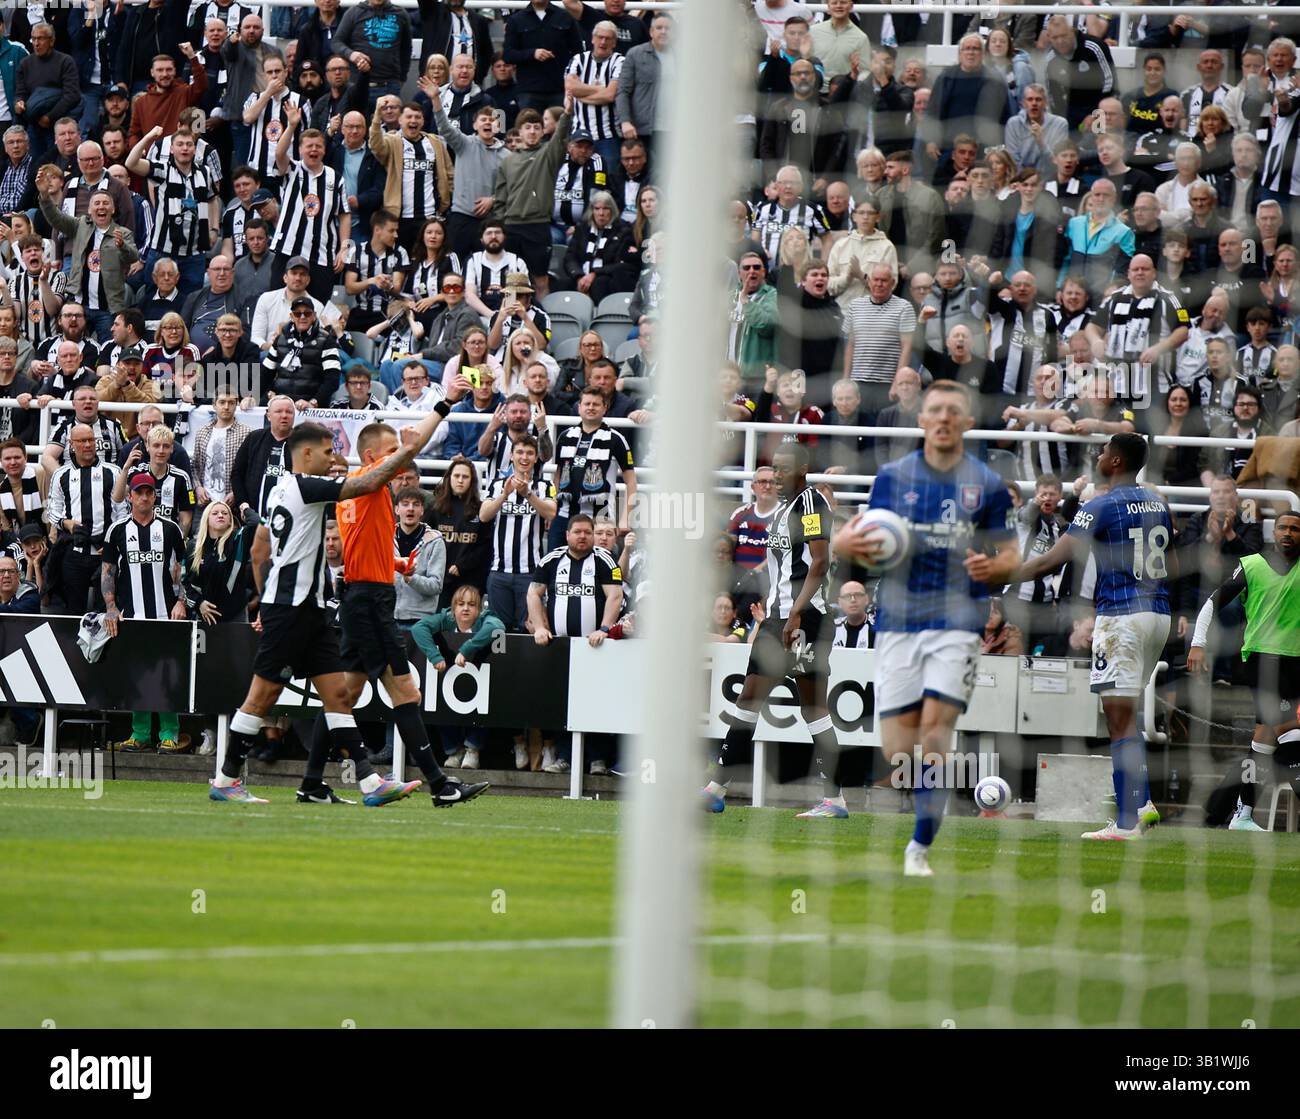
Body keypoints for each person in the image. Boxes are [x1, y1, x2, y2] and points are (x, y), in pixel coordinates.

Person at [213, 401, 484, 807]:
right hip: (299, 607)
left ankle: (355, 782)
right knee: (263, 696)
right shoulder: (312, 486)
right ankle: (226, 779)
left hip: (313, 607)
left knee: (339, 695)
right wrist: (414, 444)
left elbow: (259, 547)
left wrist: (264, 595)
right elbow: (364, 483)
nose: (335, 459)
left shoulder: (284, 490)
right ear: (306, 454)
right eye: (327, 451)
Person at [833, 380, 1020, 876]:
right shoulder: (894, 477)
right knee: (900, 751)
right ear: (921, 419)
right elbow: (856, 542)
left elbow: (1012, 557)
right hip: (897, 620)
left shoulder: (988, 484)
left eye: (952, 412)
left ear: (967, 422)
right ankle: (925, 812)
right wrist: (847, 544)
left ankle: (919, 848)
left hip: (958, 620)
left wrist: (994, 569)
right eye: (934, 410)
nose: (942, 418)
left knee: (936, 733)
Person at [1018, 433, 1172, 840]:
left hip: (1121, 617)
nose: (1100, 456)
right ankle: (1141, 804)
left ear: (1116, 461)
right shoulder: (1158, 502)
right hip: (1158, 614)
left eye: (1104, 451)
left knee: (1117, 722)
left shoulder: (1100, 504)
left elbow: (1053, 560)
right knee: (1129, 716)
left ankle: (1130, 817)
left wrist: (1000, 576)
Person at [700, 440, 842, 813]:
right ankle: (715, 789)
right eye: (772, 468)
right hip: (777, 619)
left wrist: (796, 612)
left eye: (783, 468)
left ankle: (835, 798)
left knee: (813, 708)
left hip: (804, 618)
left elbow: (820, 562)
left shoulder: (811, 503)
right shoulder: (781, 510)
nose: (776, 475)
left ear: (802, 468)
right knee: (748, 700)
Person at [1189, 511, 1300, 830]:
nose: (1288, 533)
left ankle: (1243, 814)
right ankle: (1239, 813)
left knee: (1263, 744)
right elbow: (1213, 602)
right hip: (1263, 660)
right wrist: (1198, 643)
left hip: (1296, 663)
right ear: (1273, 532)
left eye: (1294, 528)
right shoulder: (1252, 564)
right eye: (1282, 528)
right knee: (1291, 733)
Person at [102, 469, 188, 752]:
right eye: (138, 492)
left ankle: (169, 733)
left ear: (155, 497)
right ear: (129, 497)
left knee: (165, 673)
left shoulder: (170, 529)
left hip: (164, 614)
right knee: (138, 674)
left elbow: (184, 569)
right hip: (131, 615)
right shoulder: (117, 530)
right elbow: (108, 572)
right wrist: (111, 608)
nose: (143, 496)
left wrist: (181, 601)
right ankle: (139, 734)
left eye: (149, 492)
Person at [492, 96, 573, 298]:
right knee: (512, 281)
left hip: (538, 226)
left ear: (543, 130)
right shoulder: (507, 162)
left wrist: (567, 113)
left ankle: (543, 323)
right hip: (511, 227)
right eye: (527, 127)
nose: (532, 132)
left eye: (537, 127)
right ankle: (510, 322)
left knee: (540, 280)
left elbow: (560, 137)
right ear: (519, 131)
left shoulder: (548, 154)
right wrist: (502, 223)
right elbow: (501, 197)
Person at [479, 433, 556, 632]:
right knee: (497, 631)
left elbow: (551, 512)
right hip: (499, 571)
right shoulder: (497, 484)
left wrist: (527, 494)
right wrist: (505, 494)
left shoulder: (545, 486)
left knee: (528, 629)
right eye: (519, 452)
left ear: (537, 457)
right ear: (511, 456)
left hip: (530, 572)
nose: (524, 457)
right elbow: (484, 515)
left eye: (530, 453)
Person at [550, 384, 635, 548]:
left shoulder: (616, 439)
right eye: (587, 404)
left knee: (595, 570)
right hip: (563, 515)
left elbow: (631, 482)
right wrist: (552, 508)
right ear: (579, 407)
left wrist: (625, 518)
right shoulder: (565, 436)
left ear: (605, 408)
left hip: (599, 518)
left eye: (596, 404)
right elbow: (558, 476)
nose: (591, 408)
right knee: (555, 565)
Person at [430, 455, 490, 607]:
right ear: (449, 478)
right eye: (457, 476)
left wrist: (462, 565)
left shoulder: (481, 509)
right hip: (441, 578)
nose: (460, 480)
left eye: (465, 476)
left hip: (471, 579)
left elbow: (486, 547)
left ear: (472, 481)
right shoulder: (435, 508)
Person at [191, 384, 251, 510]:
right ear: (214, 405)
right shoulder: (202, 432)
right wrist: (198, 488)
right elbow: (195, 466)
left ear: (237, 404)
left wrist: (237, 492)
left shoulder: (246, 433)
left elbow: (251, 470)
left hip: (233, 504)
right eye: (222, 402)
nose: (226, 407)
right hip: (205, 503)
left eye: (231, 403)